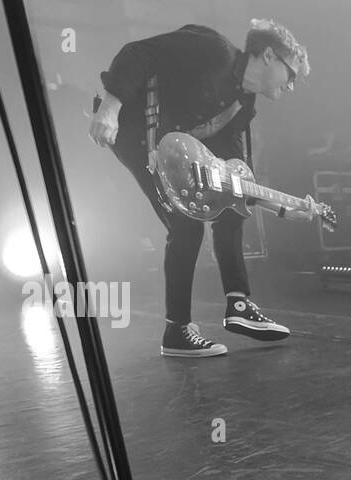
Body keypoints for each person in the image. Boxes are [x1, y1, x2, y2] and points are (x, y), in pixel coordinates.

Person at [89, 19, 311, 357]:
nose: (292, 86)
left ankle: (238, 303)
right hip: (138, 134)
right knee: (186, 225)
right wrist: (110, 108)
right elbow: (137, 54)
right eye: (291, 74)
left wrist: (281, 207)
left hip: (176, 148)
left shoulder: (245, 104)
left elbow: (235, 175)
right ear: (268, 55)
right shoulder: (211, 50)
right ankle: (176, 331)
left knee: (231, 201)